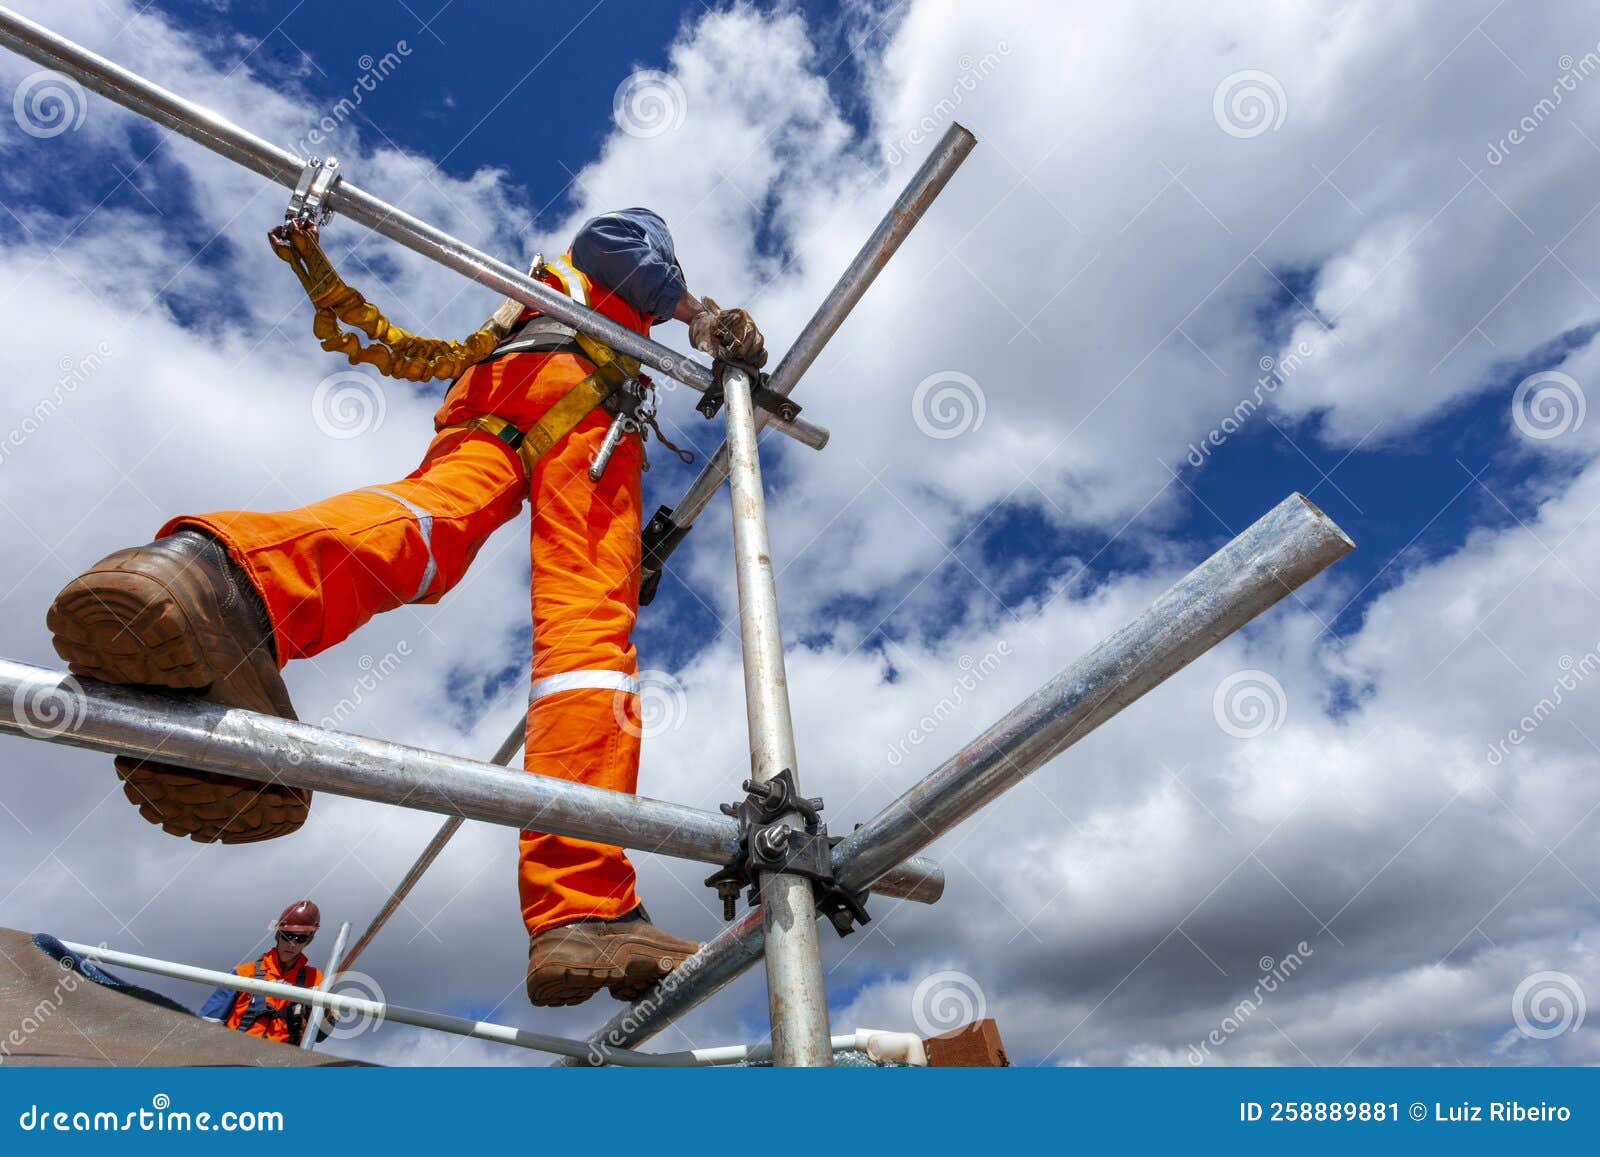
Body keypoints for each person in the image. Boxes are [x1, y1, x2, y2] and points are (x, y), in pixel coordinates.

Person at [46, 208, 765, 1007]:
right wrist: (702, 315)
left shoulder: (539, 296)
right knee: (587, 636)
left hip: (503, 398)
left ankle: (229, 583)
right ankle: (583, 900)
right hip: (581, 403)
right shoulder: (618, 253)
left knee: (431, 531)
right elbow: (619, 248)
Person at [199, 900, 328, 1045]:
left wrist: (326, 1013)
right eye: (288, 936)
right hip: (234, 1054)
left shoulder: (315, 980)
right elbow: (208, 1023)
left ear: (308, 941)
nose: (292, 944)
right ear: (277, 935)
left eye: (300, 938)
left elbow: (320, 1036)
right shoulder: (242, 974)